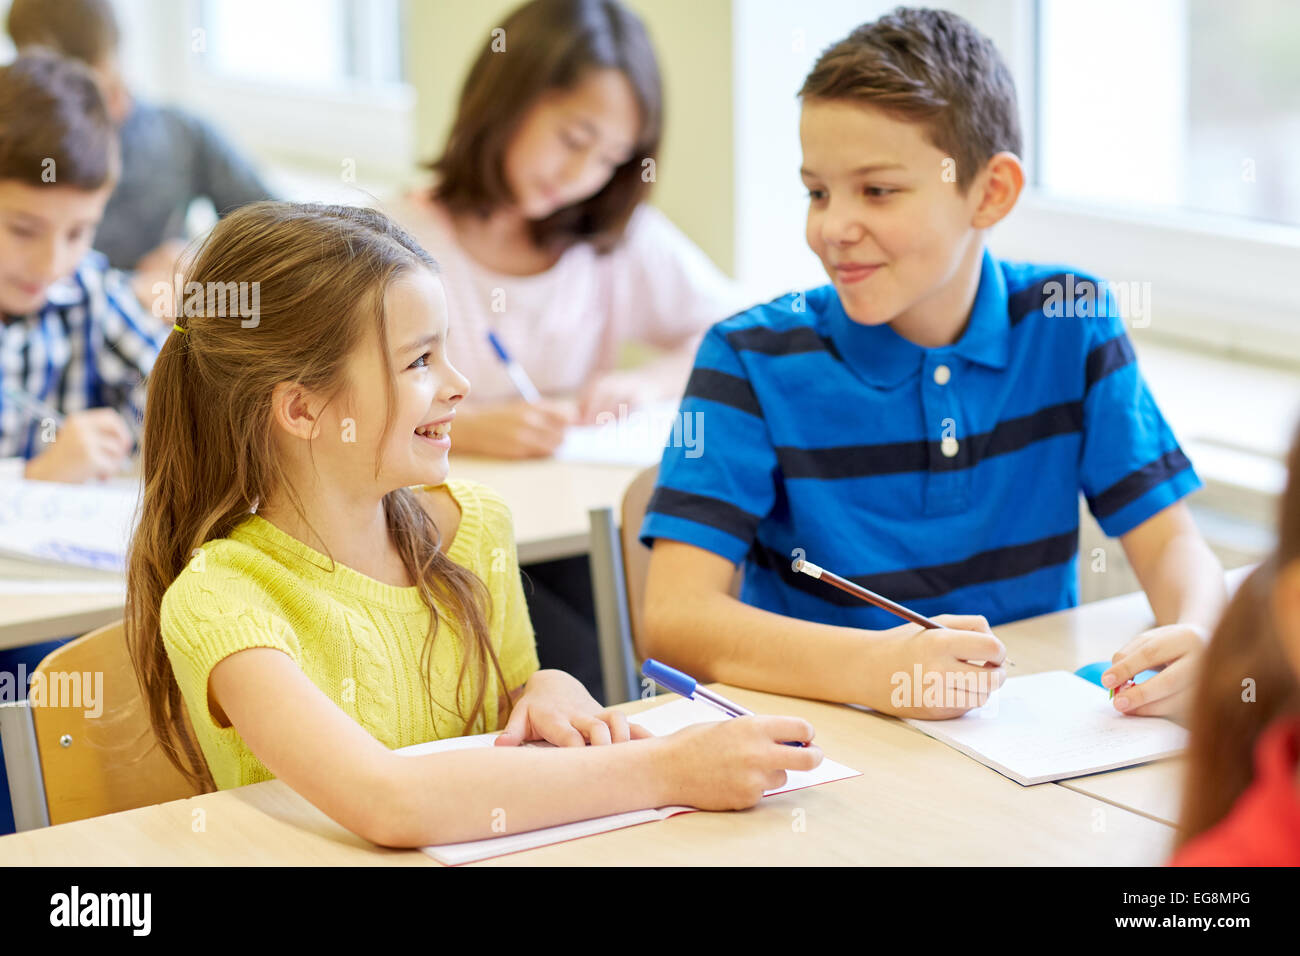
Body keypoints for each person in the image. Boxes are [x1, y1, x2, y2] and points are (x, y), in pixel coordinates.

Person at [124, 200, 820, 847]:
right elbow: (388, 799)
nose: (458, 384)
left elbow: (510, 702)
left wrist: (550, 690)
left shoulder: (474, 525)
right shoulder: (222, 599)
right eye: (420, 361)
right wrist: (669, 768)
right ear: (303, 411)